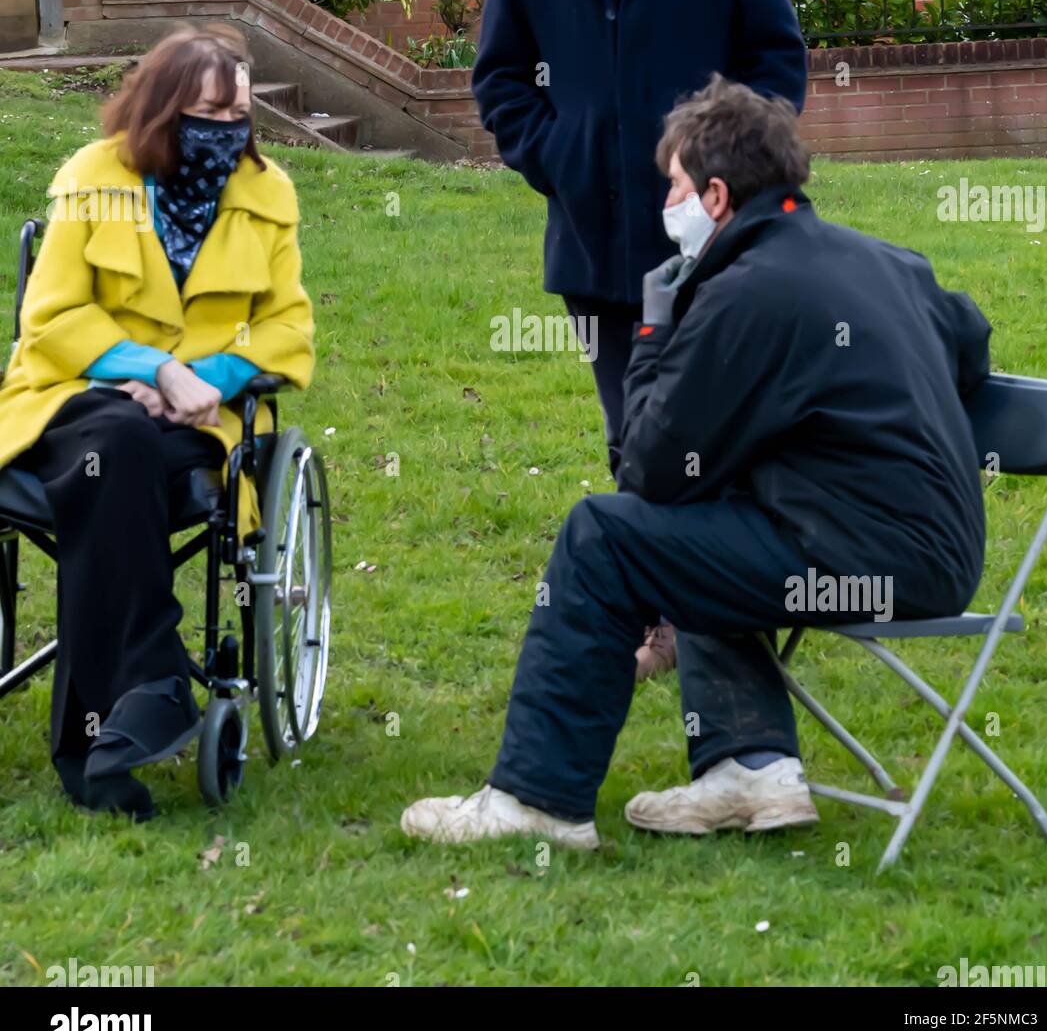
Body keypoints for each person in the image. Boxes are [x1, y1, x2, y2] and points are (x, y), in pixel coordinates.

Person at [401, 75, 990, 848]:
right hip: (938, 549)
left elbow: (647, 466)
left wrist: (653, 328)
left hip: (867, 563)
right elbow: (969, 338)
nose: (664, 204)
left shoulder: (746, 291)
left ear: (715, 197)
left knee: (607, 536)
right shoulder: (885, 260)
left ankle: (537, 802)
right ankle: (750, 769)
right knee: (705, 512)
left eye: (672, 185)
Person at [471, 0, 809, 680]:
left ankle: (738, 605)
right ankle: (662, 619)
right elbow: (500, 77)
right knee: (639, 434)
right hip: (600, 240)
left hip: (724, 237)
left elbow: (778, 63)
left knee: (737, 422)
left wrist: (733, 181)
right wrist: (557, 157)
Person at [0, 24, 315, 821]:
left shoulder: (267, 194)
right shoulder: (92, 178)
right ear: (162, 112)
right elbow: (52, 314)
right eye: (210, 115)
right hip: (70, 402)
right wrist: (149, 369)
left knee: (129, 450)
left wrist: (198, 379)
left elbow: (286, 329)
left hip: (195, 422)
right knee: (116, 438)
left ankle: (103, 737)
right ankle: (151, 691)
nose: (228, 134)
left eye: (239, 115)